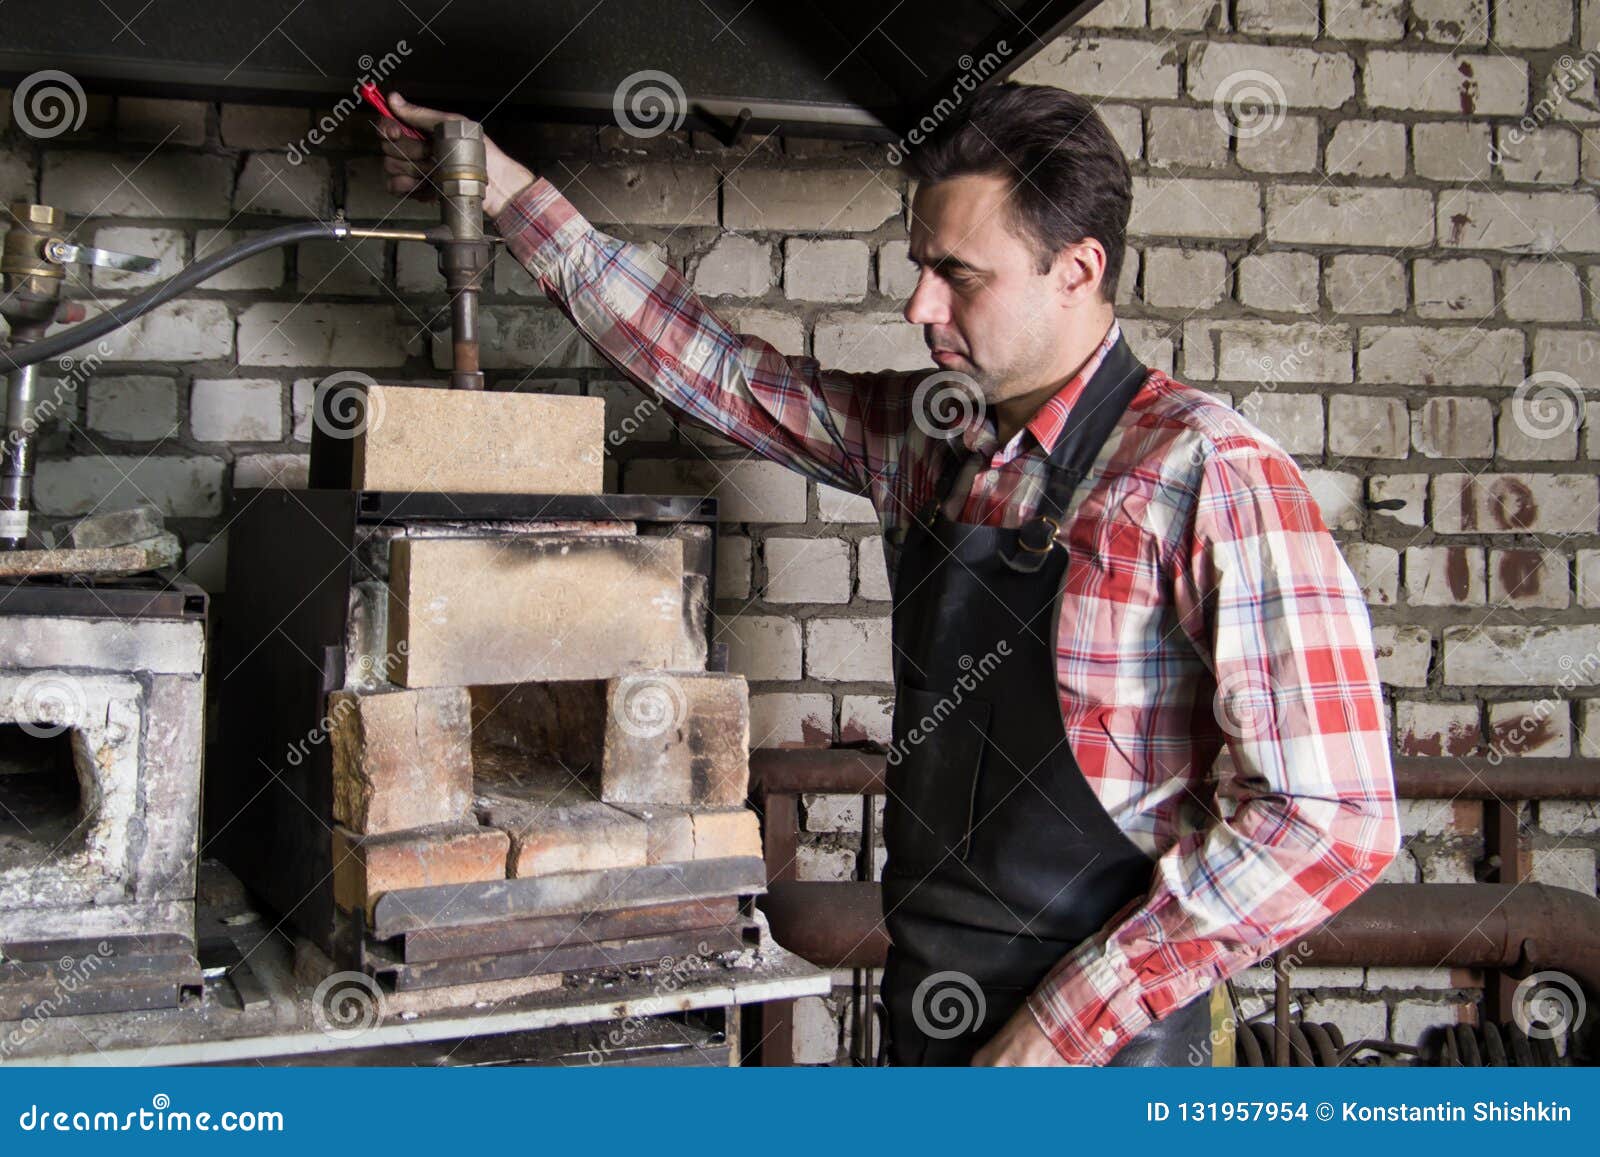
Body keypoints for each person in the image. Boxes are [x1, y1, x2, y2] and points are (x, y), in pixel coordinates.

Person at [377, 82, 1399, 1067]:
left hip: (1110, 1056)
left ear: (1077, 269)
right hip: (926, 1007)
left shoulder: (1206, 473)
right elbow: (717, 371)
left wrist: (1059, 1032)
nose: (919, 305)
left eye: (959, 274)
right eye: (919, 265)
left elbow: (1331, 820)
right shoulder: (926, 438)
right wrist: (503, 189)